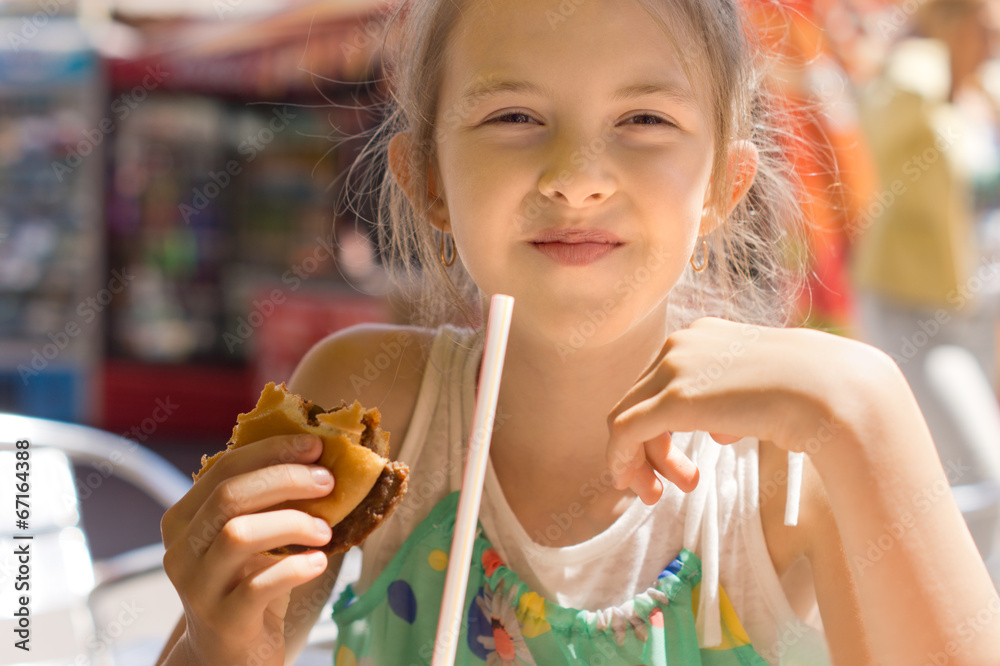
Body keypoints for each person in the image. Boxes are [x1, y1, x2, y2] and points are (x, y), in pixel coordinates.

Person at [156, 0, 1000, 664]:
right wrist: (218, 644)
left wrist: (870, 405)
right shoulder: (373, 407)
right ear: (427, 179)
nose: (577, 178)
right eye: (515, 117)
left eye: (645, 120)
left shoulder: (787, 467)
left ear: (723, 185)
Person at [850, 0, 1000, 562]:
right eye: (983, 28)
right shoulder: (914, 83)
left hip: (978, 315)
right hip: (916, 312)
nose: (993, 43)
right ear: (948, 21)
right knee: (985, 474)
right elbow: (885, 111)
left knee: (953, 472)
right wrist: (932, 56)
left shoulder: (985, 92)